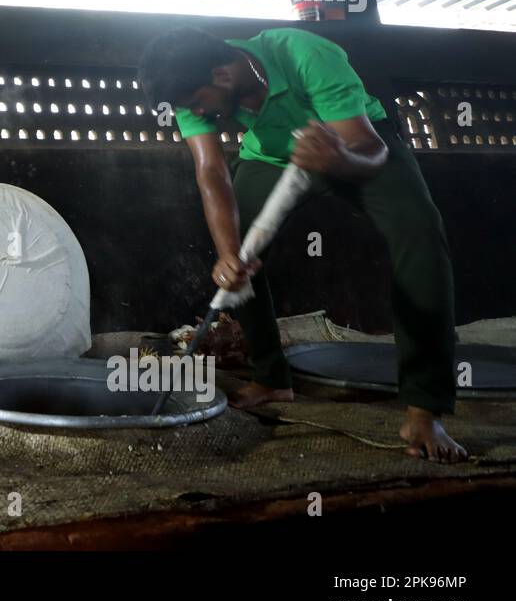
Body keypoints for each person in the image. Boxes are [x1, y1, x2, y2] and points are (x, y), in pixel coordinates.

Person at [138, 26, 466, 463]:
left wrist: (339, 160)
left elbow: (370, 148)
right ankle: (272, 377)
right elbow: (211, 172)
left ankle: (426, 409)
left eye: (198, 105)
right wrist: (228, 252)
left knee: (420, 233)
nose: (196, 113)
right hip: (272, 156)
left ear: (221, 76)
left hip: (353, 143)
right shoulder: (192, 88)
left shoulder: (306, 56)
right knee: (239, 258)